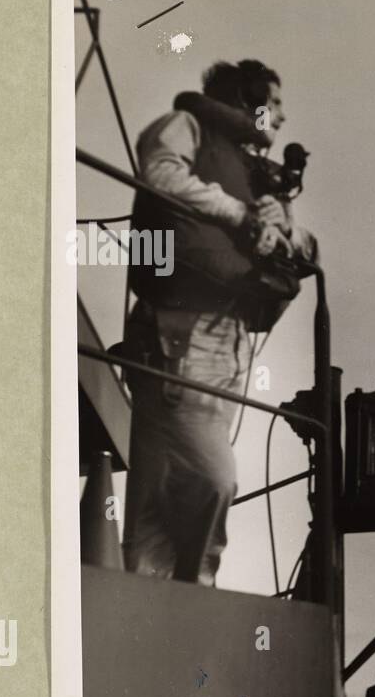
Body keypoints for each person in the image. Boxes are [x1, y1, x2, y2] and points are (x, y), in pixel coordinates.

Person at [119, 59, 317, 585]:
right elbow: (160, 172)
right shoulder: (185, 128)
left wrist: (284, 228)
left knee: (163, 489)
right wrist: (238, 215)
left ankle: (154, 608)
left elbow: (303, 250)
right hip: (179, 334)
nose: (281, 116)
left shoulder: (251, 171)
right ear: (247, 100)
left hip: (226, 343)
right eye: (272, 103)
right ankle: (196, 595)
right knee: (214, 480)